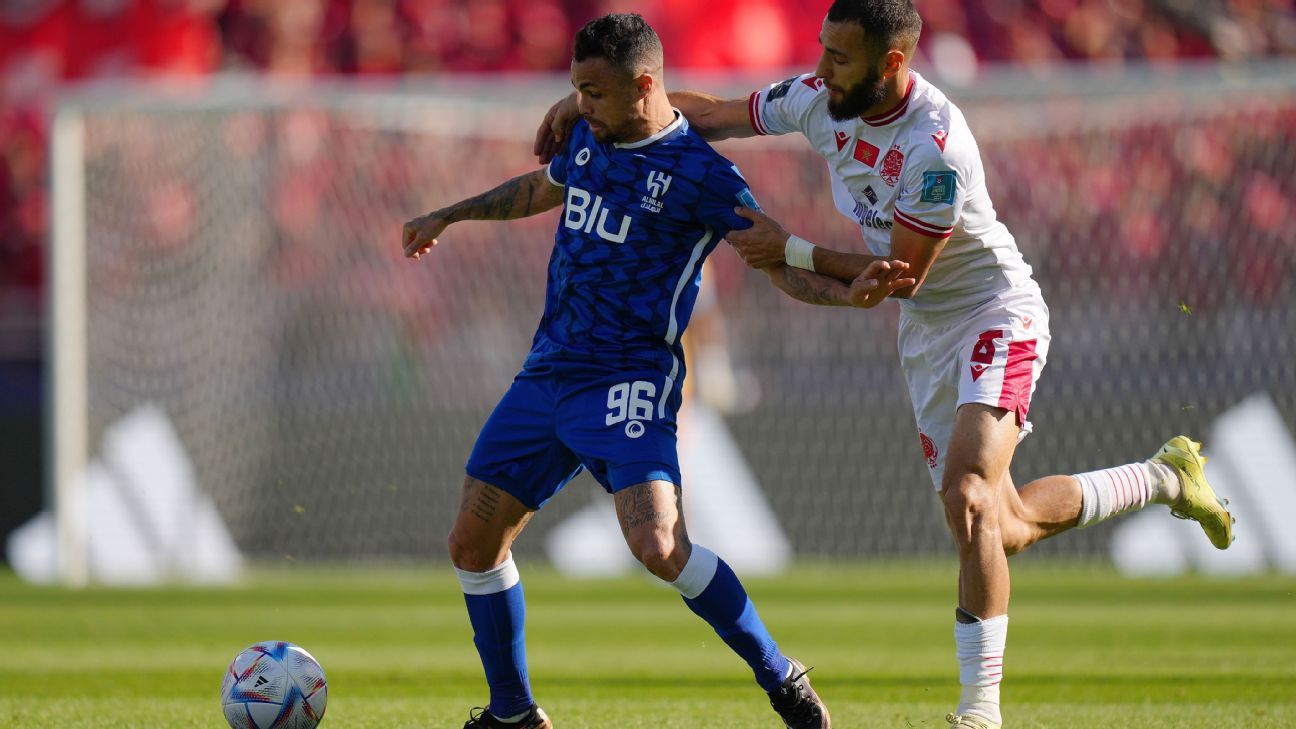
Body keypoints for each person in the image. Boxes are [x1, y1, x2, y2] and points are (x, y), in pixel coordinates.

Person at [532, 2, 1237, 728]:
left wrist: (791, 248)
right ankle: (1163, 476)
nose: (820, 66)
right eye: (822, 48)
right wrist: (595, 102)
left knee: (967, 495)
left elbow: (903, 273)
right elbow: (711, 113)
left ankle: (978, 714)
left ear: (891, 64)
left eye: (839, 56)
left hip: (993, 312)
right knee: (1005, 523)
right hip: (928, 337)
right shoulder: (817, 100)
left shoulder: (935, 145)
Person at [403, 13, 903, 729]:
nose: (582, 106)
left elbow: (776, 264)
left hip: (629, 378)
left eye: (594, 93)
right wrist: (449, 215)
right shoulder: (587, 132)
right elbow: (545, 187)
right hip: (548, 372)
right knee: (471, 542)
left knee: (660, 546)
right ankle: (514, 713)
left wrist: (848, 293)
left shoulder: (703, 175)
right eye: (576, 90)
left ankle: (780, 674)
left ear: (645, 85)